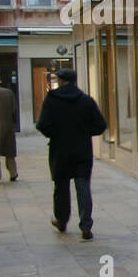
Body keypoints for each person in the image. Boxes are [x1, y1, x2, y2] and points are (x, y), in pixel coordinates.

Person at [36, 68, 107, 240]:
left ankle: (61, 220)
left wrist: (56, 133)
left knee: (61, 187)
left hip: (60, 150)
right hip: (82, 149)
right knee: (83, 187)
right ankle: (86, 226)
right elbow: (100, 125)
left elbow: (42, 125)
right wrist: (84, 132)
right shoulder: (86, 100)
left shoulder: (51, 100)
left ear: (60, 81)